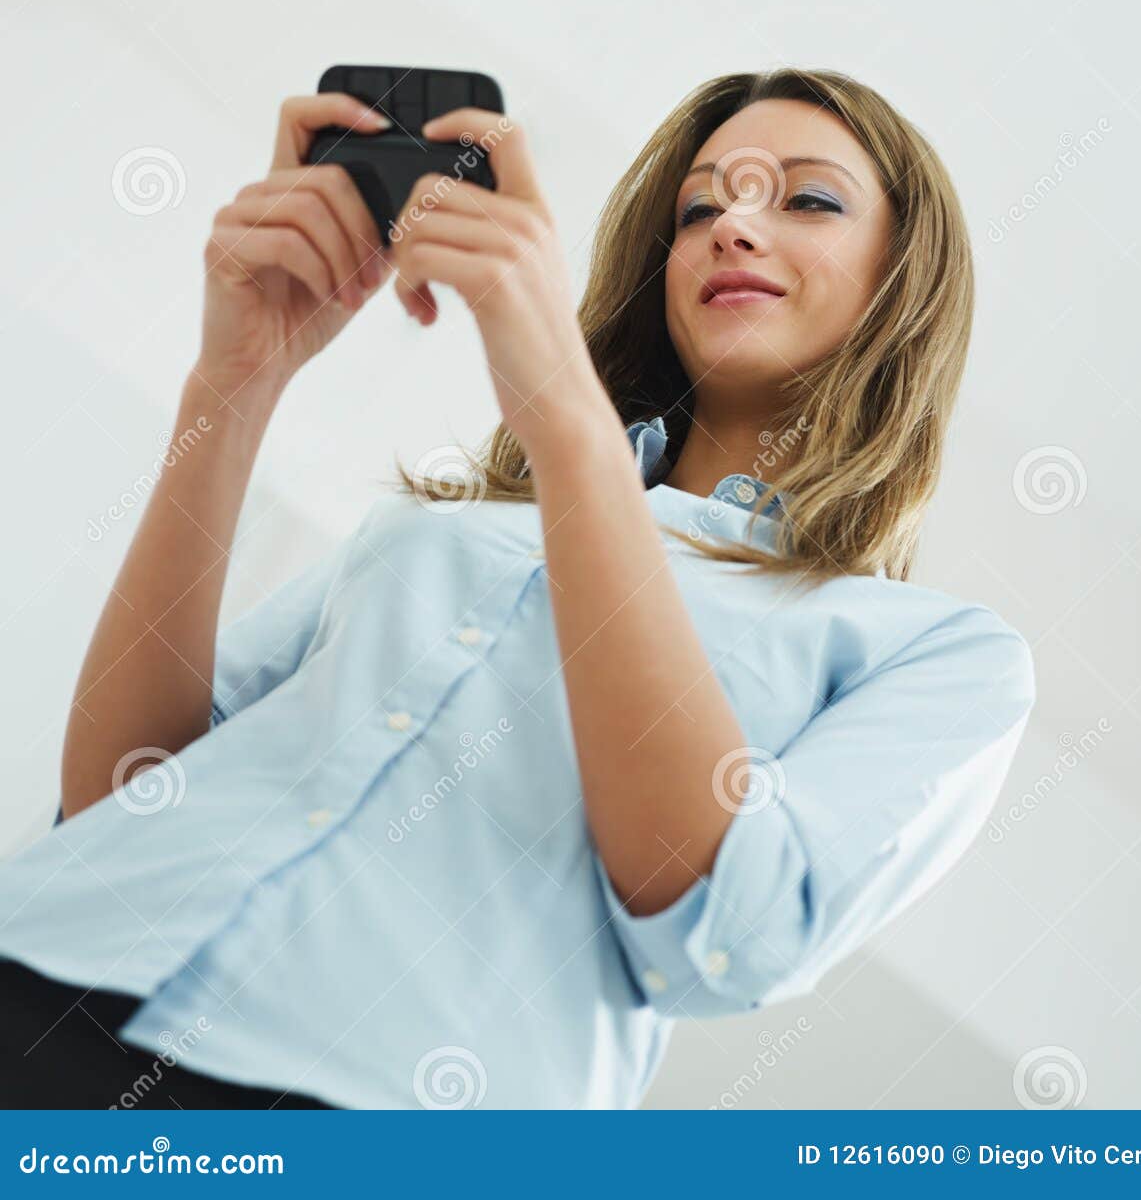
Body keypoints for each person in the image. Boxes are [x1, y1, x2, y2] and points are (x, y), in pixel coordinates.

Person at [0, 67, 1035, 1110]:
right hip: (42, 965)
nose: (732, 227)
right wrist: (233, 382)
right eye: (698, 208)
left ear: (907, 277)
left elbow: (730, 937)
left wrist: (569, 422)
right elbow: (120, 803)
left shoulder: (935, 649)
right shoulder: (438, 530)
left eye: (807, 198)